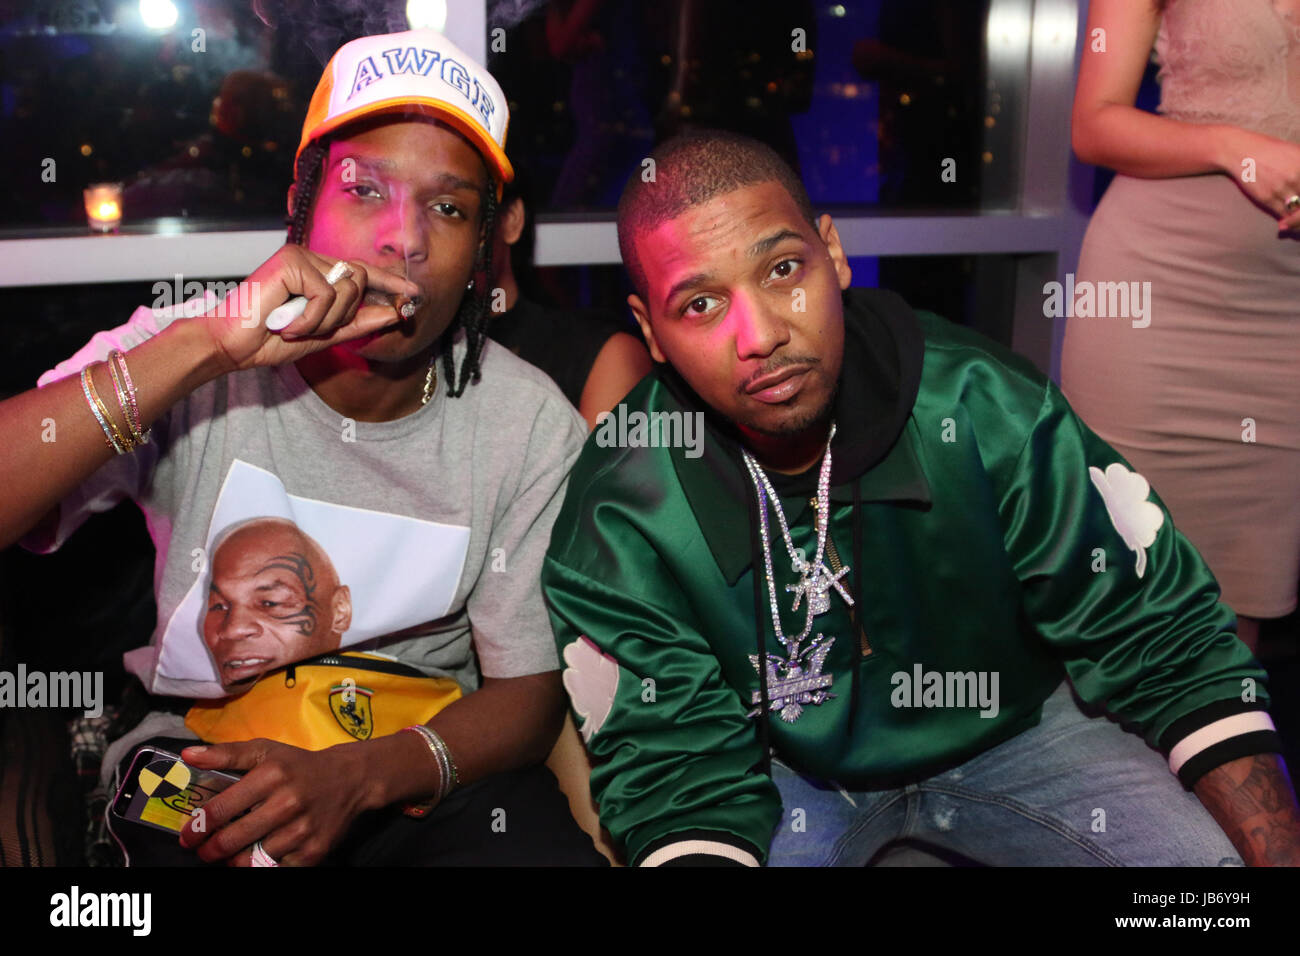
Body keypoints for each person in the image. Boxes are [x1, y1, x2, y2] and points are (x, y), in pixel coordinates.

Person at [542, 129, 1300, 867]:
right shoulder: (623, 505)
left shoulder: (980, 405)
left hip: (1018, 732)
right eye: (701, 305)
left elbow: (1161, 637)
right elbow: (678, 773)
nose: (761, 334)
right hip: (780, 769)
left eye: (780, 271)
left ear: (832, 253)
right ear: (652, 331)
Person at [2, 28, 605, 866]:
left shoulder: (527, 421)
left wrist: (361, 777)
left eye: (449, 206)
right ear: (304, 202)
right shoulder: (190, 349)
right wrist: (206, 349)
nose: (406, 239)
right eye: (364, 189)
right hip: (197, 753)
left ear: (482, 253)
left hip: (414, 762)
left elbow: (529, 694)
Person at [1063, 0, 1300, 653]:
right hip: (1160, 289)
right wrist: (1234, 147)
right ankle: (1074, 757)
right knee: (1116, 573)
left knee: (1240, 595)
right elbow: (1094, 125)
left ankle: (1214, 749)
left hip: (1288, 322)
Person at [486, 166, 652, 429]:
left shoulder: (597, 354)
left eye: (450, 209)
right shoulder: (408, 357)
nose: (419, 236)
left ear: (511, 220)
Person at [203, 517, 352, 691]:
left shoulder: (374, 702)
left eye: (270, 603)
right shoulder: (195, 712)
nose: (232, 629)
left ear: (340, 611)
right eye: (219, 606)